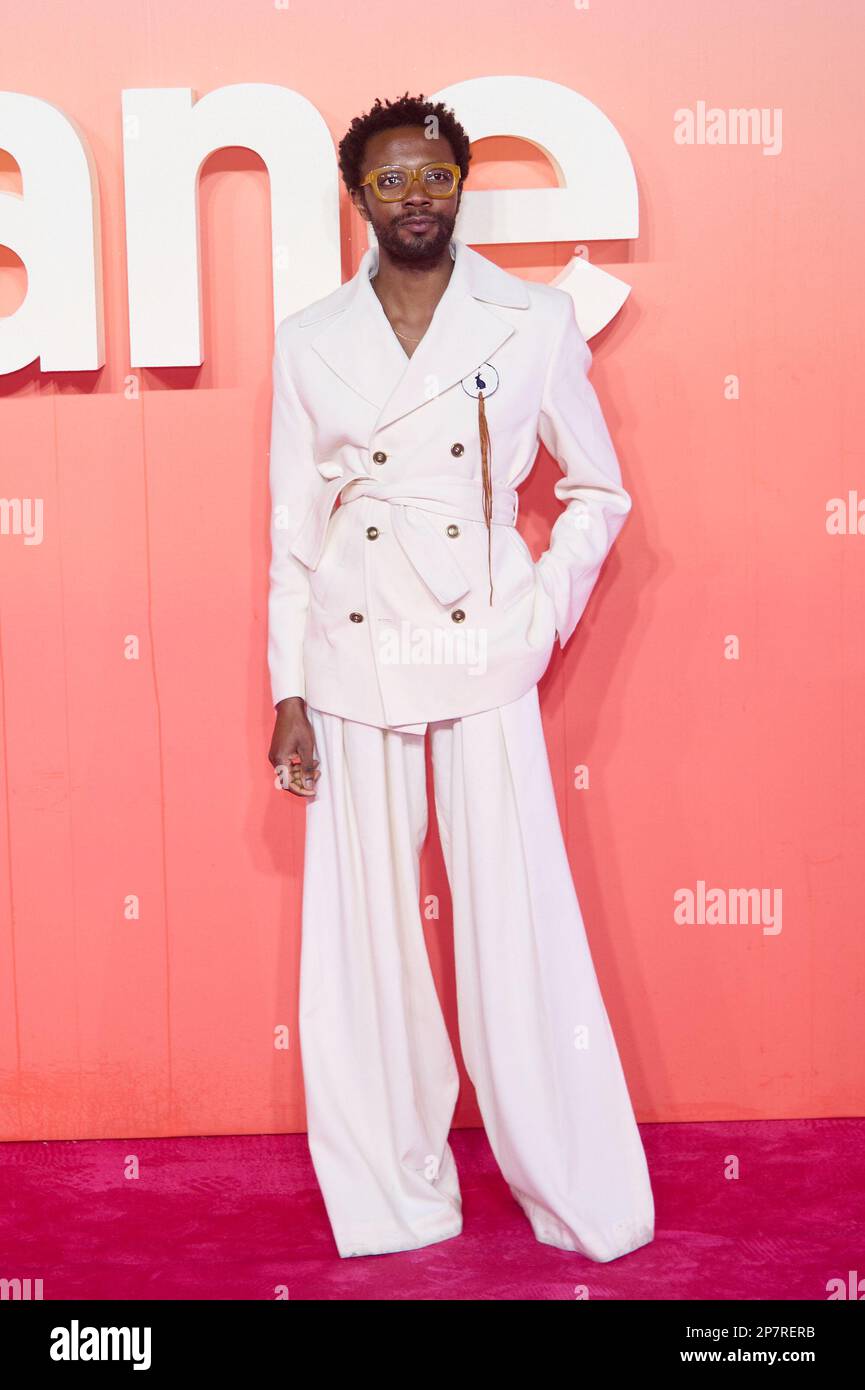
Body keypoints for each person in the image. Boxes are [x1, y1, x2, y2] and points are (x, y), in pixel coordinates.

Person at [266, 92, 654, 1261]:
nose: (416, 196)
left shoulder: (530, 319)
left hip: (479, 648)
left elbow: (600, 490)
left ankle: (575, 1182)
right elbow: (292, 530)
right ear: (359, 196)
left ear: (460, 182)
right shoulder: (306, 337)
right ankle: (393, 1195)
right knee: (363, 944)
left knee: (518, 923)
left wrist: (537, 614)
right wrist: (285, 688)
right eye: (391, 181)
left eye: (434, 176)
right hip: (348, 651)